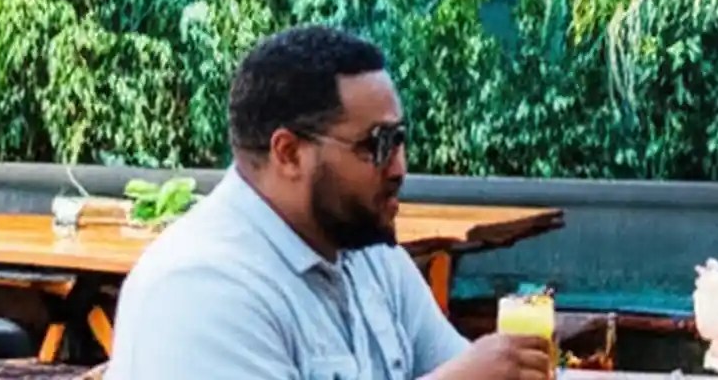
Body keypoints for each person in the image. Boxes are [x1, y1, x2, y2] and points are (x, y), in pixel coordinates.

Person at [106, 26, 553, 380]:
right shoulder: (201, 290)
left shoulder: (367, 253)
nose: (399, 167)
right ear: (289, 154)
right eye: (377, 144)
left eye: (400, 139)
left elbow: (464, 366)